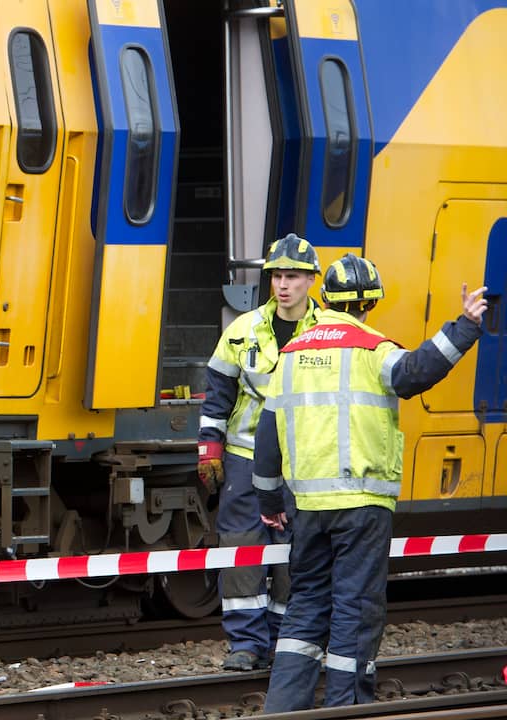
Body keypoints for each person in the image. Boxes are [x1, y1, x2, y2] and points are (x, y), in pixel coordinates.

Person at [253, 254, 488, 711]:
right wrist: (465, 326)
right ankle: (347, 707)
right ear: (372, 301)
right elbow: (418, 371)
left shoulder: (291, 355)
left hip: (307, 507)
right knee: (355, 607)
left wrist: (267, 497)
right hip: (361, 505)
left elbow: (267, 433)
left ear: (325, 298)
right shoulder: (373, 349)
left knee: (305, 605)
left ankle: (283, 707)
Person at [198, 233, 320, 671]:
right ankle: (246, 646)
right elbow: (217, 395)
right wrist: (209, 447)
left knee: (297, 551)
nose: (283, 285)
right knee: (243, 547)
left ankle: (283, 642)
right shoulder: (242, 330)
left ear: (310, 280)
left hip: (303, 462)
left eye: (293, 277)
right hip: (245, 457)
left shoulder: (326, 332)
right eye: (277, 276)